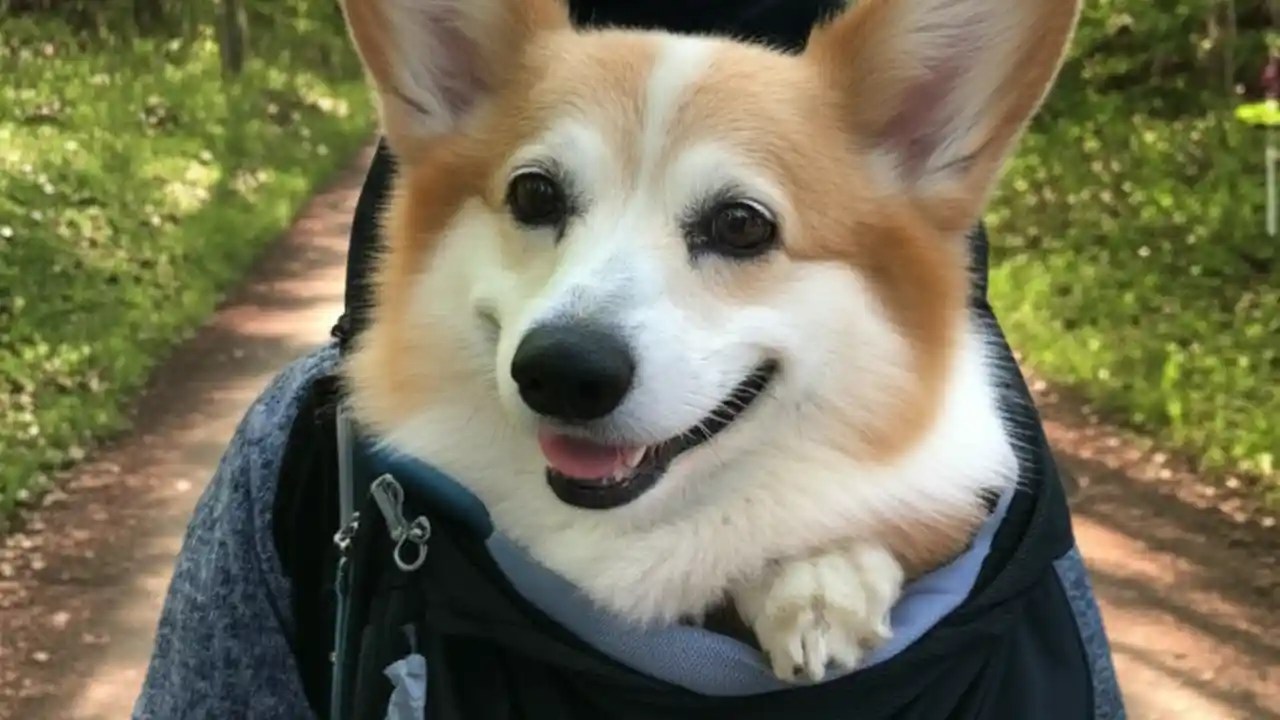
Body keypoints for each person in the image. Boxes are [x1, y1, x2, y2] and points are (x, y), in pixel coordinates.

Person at [132, 1, 1125, 718]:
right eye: (537, 201)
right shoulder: (307, 451)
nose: (573, 338)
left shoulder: (991, 530)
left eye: (737, 227)